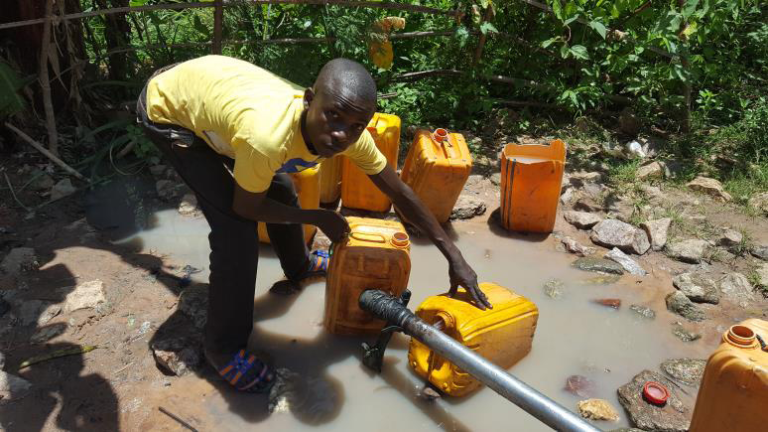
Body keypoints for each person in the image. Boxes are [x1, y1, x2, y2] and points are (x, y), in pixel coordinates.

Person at [137, 55, 491, 393]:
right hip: (169, 110)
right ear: (309, 100)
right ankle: (222, 348)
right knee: (236, 233)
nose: (341, 135)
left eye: (355, 126)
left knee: (281, 186)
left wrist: (454, 256)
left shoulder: (349, 132)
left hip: (214, 94)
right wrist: (319, 217)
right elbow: (245, 207)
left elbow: (400, 192)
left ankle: (299, 266)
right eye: (333, 117)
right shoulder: (267, 136)